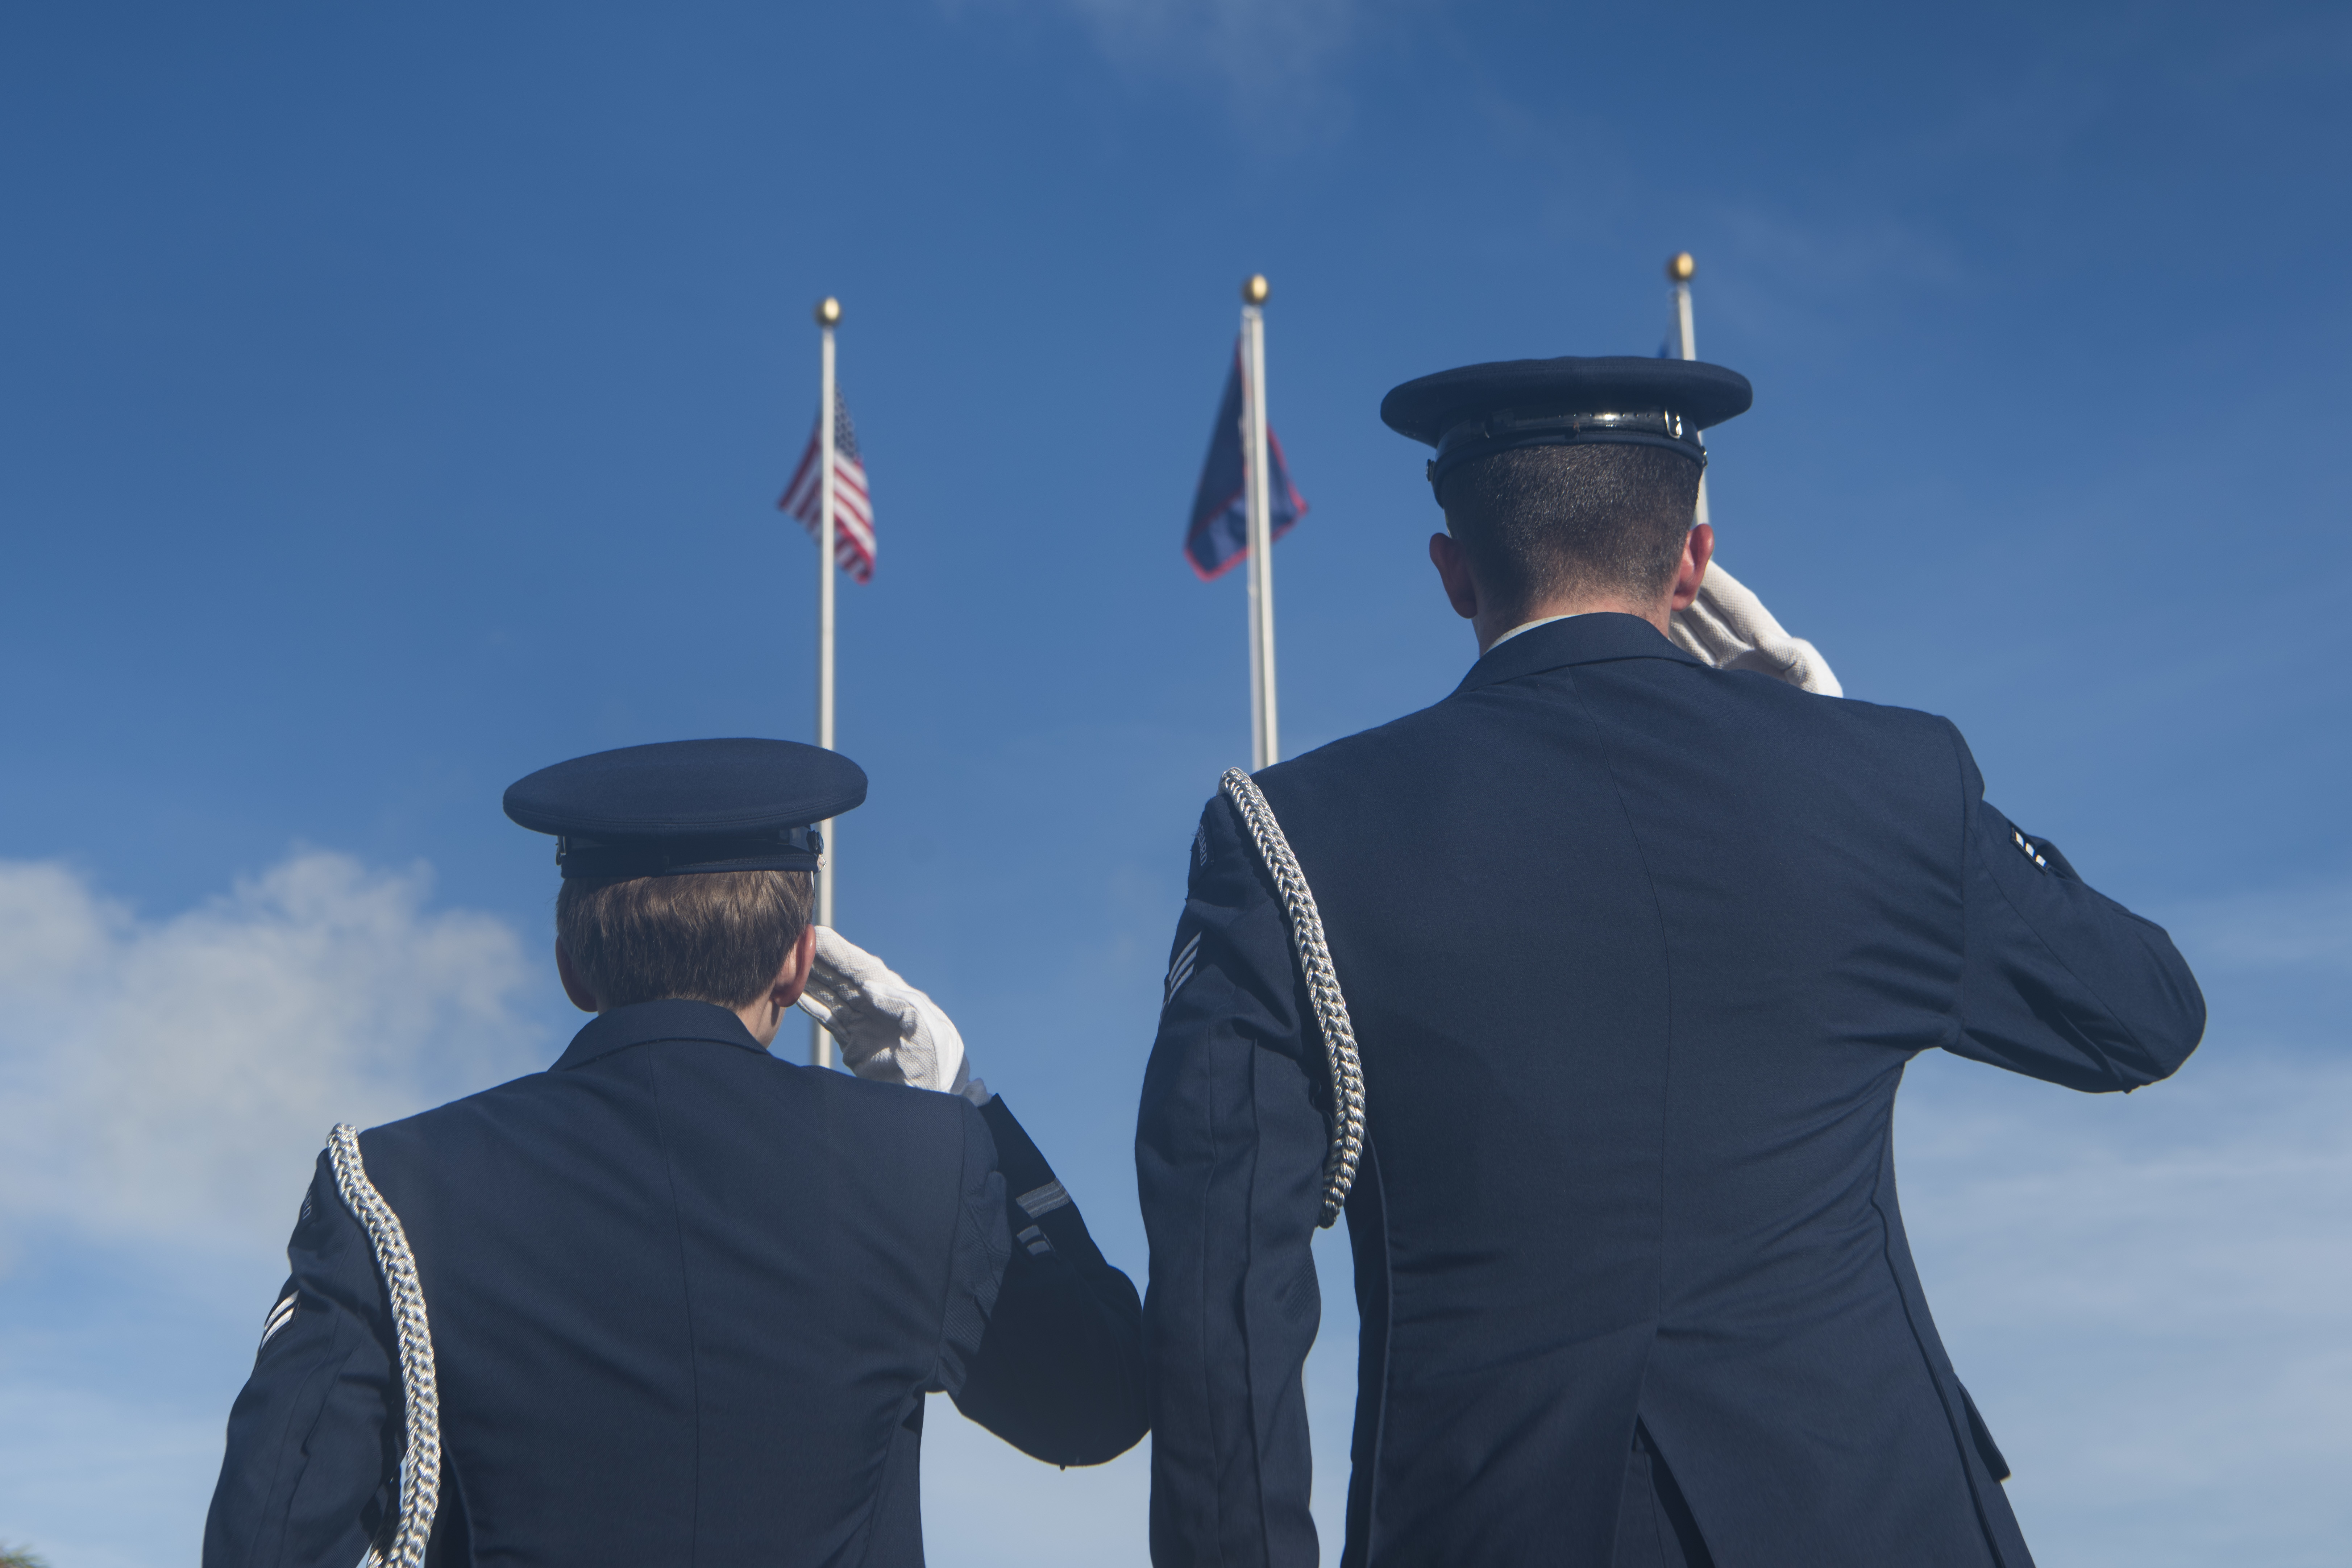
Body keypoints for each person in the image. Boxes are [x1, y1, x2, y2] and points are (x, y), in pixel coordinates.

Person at [1134, 356, 2205, 1568]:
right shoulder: (1892, 784)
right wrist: (1836, 736)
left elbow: (1221, 1301)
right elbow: (2139, 1018)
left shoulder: (1286, 835)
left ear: (1453, 571)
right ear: (1692, 561)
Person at [203, 737, 1146, 1568]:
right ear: (797, 961)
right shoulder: (928, 1164)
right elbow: (1098, 1399)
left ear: (572, 966)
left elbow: (272, 1533)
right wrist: (964, 1104)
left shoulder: (392, 1186)